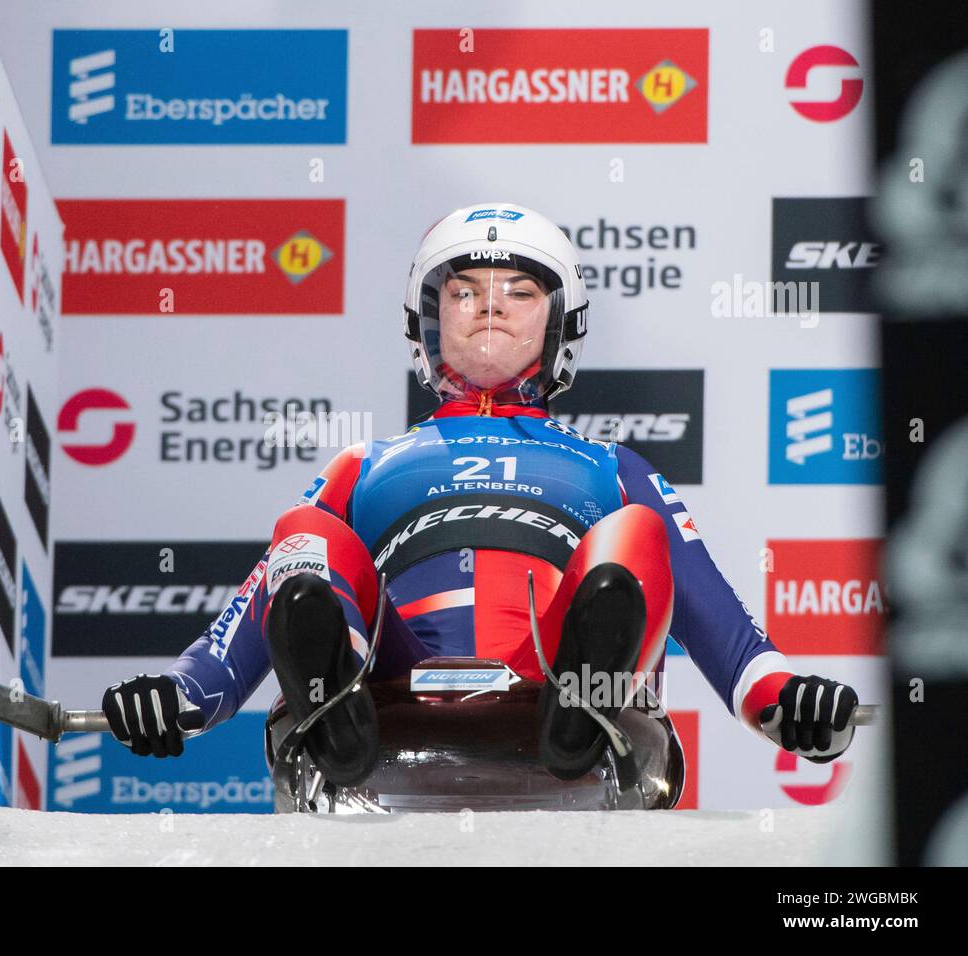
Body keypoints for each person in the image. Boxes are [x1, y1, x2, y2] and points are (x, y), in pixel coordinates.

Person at [102, 202, 859, 787]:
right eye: (465, 291)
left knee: (633, 534)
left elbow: (732, 640)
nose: (490, 306)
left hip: (564, 698)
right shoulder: (365, 463)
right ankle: (333, 709)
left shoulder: (612, 465)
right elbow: (247, 616)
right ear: (428, 322)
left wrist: (793, 705)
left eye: (519, 291)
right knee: (307, 531)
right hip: (388, 697)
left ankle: (582, 701)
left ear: (559, 322)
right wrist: (178, 695)